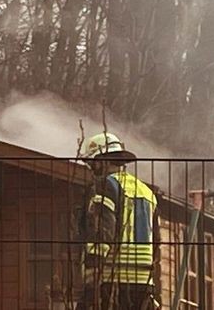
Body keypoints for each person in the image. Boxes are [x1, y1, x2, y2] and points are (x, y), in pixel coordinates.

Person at [76, 132, 160, 310]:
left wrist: (91, 278)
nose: (91, 170)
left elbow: (102, 233)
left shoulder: (106, 186)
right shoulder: (146, 191)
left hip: (112, 280)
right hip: (143, 283)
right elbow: (157, 242)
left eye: (91, 164)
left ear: (100, 162)